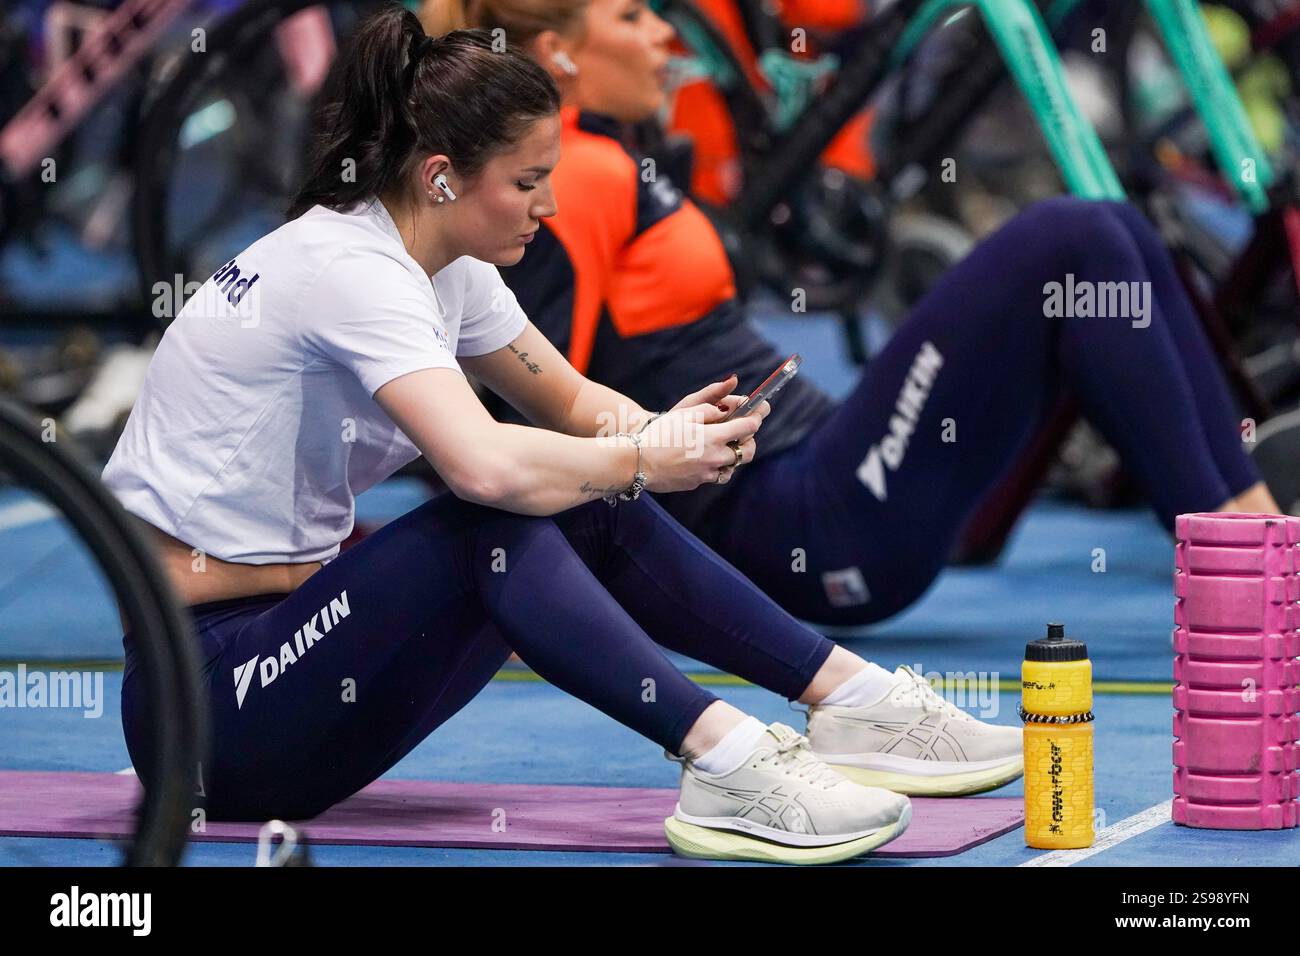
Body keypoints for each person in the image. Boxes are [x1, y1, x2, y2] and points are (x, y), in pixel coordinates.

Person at [102, 4, 1022, 866]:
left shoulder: (444, 264)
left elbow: (576, 404)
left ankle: (855, 703)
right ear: (440, 176)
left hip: (289, 655)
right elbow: (483, 464)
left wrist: (666, 432)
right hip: (207, 710)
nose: (548, 207)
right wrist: (641, 460)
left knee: (585, 503)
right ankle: (724, 758)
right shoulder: (351, 269)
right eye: (529, 183)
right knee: (493, 519)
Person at [422, 0, 1284, 627]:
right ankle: (1247, 565)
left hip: (829, 483)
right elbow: (532, 415)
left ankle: (1258, 539)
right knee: (1076, 235)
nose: (664, 35)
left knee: (1116, 231)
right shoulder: (573, 177)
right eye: (630, 19)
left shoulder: (618, 157)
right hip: (801, 525)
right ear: (554, 53)